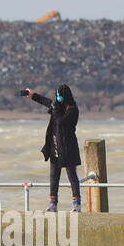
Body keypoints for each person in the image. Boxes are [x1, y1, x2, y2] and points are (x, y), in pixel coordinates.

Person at [23, 84, 83, 212]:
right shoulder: (57, 106)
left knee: (72, 175)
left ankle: (76, 204)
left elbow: (61, 122)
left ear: (66, 97)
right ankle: (53, 203)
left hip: (68, 147)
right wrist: (33, 95)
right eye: (57, 96)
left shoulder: (73, 110)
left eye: (60, 96)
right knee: (54, 176)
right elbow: (47, 102)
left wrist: (55, 110)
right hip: (55, 146)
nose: (58, 98)